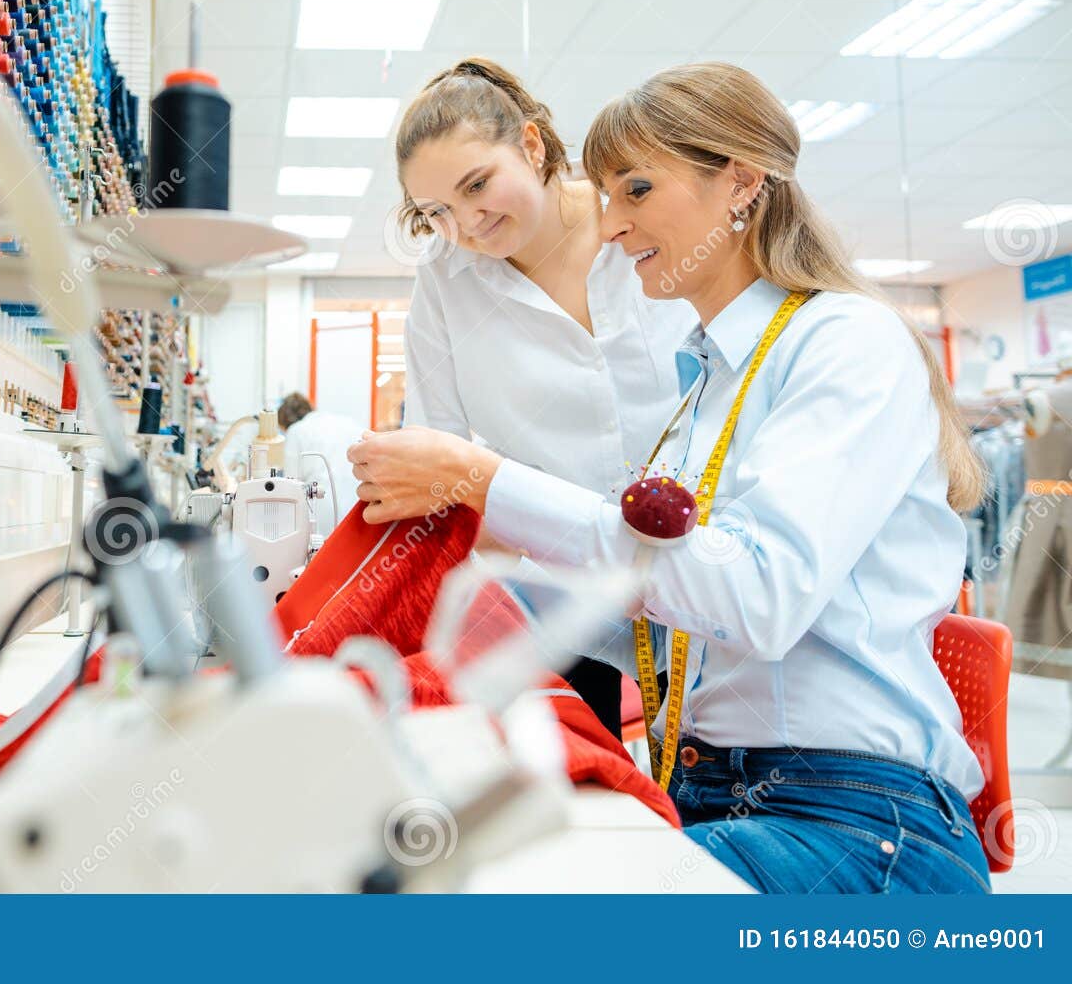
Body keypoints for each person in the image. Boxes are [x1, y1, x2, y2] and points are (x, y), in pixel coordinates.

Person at [349, 62, 992, 894]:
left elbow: (753, 597)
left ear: (742, 181)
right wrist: (473, 628)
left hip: (858, 818)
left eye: (636, 191)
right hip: (716, 787)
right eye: (609, 196)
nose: (609, 228)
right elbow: (661, 610)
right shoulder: (702, 396)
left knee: (501, 899)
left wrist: (484, 479)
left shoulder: (845, 344)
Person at [391, 57, 696, 734]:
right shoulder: (446, 284)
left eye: (478, 185)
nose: (467, 223)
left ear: (531, 145)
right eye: (436, 211)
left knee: (700, 810)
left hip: (709, 581)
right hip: (568, 610)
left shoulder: (640, 229)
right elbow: (438, 461)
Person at [276, 393, 362, 536]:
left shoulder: (296, 430)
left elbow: (291, 483)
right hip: (358, 505)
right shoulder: (348, 422)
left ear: (285, 423)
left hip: (323, 509)